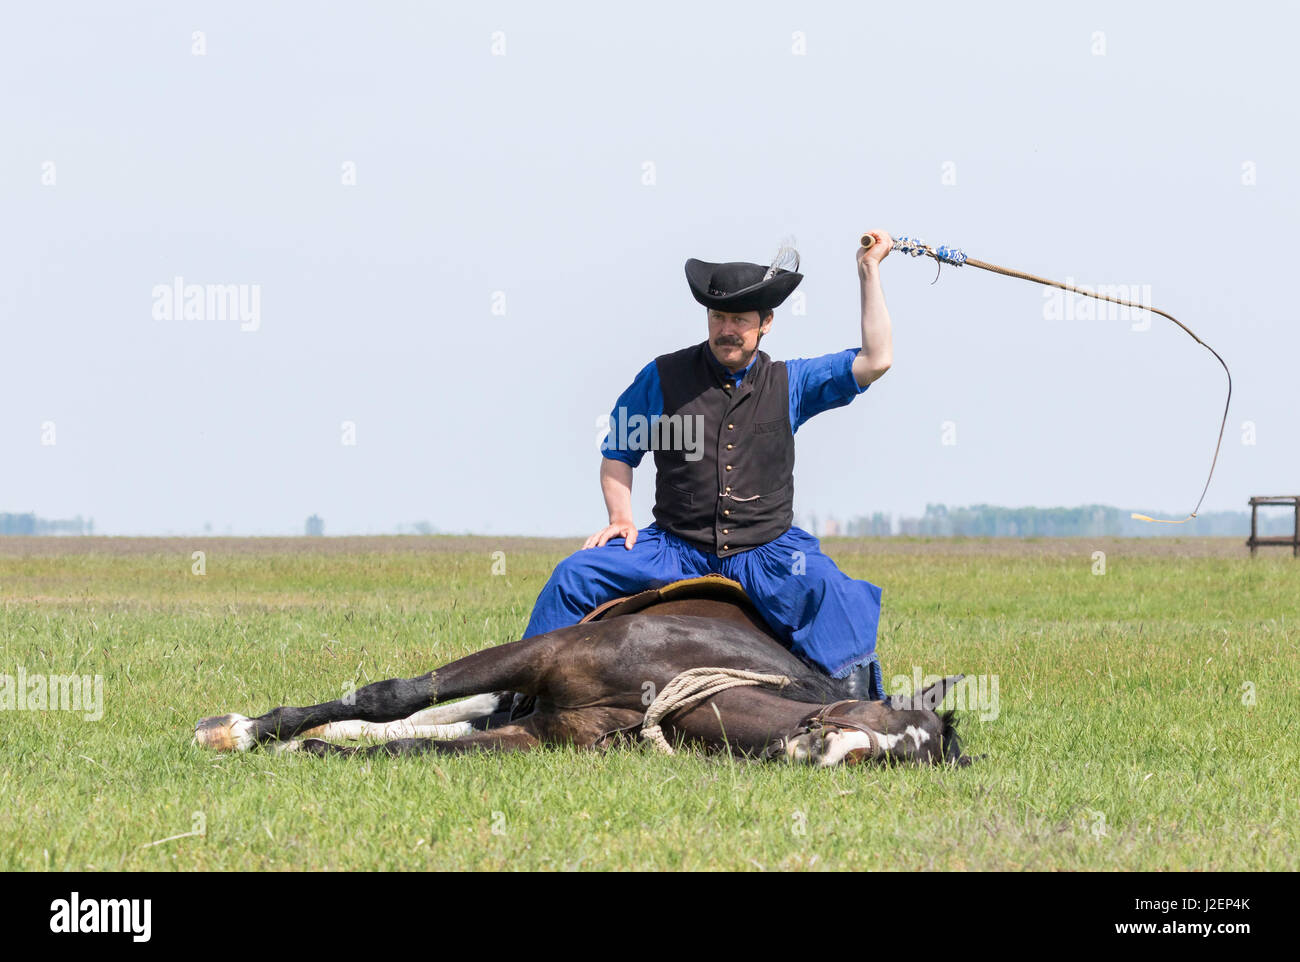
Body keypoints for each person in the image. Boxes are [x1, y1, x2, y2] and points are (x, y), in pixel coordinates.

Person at [524, 232, 896, 699]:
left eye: (740, 319)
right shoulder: (662, 377)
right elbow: (618, 453)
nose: (727, 329)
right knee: (574, 575)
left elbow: (876, 358)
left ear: (766, 324)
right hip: (673, 547)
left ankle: (852, 708)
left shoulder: (791, 382)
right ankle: (517, 696)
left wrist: (868, 271)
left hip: (769, 552)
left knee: (834, 595)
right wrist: (620, 518)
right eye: (719, 317)